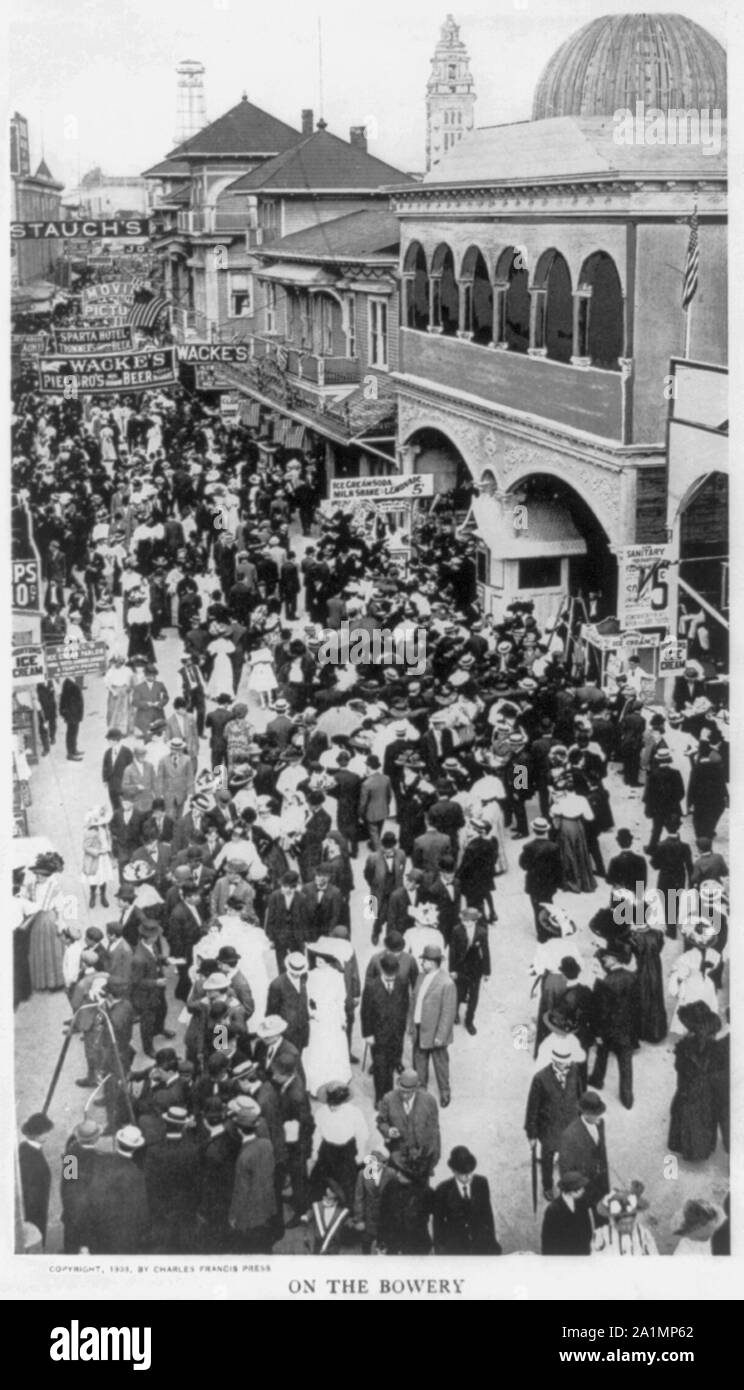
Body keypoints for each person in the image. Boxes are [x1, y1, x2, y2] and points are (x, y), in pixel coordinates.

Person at [525, 1044, 583, 1200]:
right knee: (547, 1159)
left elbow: (579, 1095)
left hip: (570, 1126)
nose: (566, 1065)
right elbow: (532, 1109)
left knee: (569, 1158)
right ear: (554, 1060)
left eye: (568, 1061)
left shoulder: (575, 1070)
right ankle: (548, 1186)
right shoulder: (540, 1079)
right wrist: (531, 1135)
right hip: (549, 1129)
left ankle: (567, 1185)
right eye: (561, 1061)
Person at [668, 1000, 721, 1163]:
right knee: (703, 1119)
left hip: (688, 1088)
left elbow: (680, 1067)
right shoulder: (714, 1043)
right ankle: (702, 1149)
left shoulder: (685, 1046)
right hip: (706, 1090)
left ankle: (687, 1149)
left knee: (686, 1117)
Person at [589, 945, 638, 1110]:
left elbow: (600, 1011)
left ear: (615, 959)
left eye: (607, 957)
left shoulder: (604, 982)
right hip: (626, 1028)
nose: (603, 959)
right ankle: (627, 1097)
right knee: (625, 1062)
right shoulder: (632, 977)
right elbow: (638, 1004)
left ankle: (597, 1079)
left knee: (602, 1053)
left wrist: (597, 1032)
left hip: (608, 1029)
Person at [409, 944, 457, 1108]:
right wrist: (411, 1024)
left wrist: (441, 1036)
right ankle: (421, 1091)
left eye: (424, 961)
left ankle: (444, 1091)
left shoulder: (447, 983)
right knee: (419, 1061)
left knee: (440, 1063)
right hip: (419, 1027)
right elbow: (414, 1001)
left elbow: (448, 1012)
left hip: (436, 1032)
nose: (422, 963)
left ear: (432, 962)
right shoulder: (421, 977)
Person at [360, 951, 409, 1104]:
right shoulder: (371, 987)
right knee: (380, 1067)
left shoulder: (402, 983)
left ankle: (389, 1096)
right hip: (378, 1035)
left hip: (395, 1034)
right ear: (382, 970)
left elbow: (404, 1006)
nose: (391, 978)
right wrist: (367, 1034)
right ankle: (380, 1098)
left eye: (393, 975)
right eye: (388, 975)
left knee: (391, 1066)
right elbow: (365, 1011)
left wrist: (402, 1029)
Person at [309, 1082, 367, 1210]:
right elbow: (317, 1133)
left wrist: (360, 1154)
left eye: (337, 1104)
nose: (333, 1107)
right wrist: (315, 1150)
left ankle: (348, 1210)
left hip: (347, 1151)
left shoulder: (354, 1113)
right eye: (331, 1103)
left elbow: (362, 1134)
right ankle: (315, 1207)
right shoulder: (321, 1112)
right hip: (327, 1149)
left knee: (348, 1182)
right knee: (317, 1178)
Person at [432, 1147, 501, 1255]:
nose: (467, 1177)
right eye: (462, 1174)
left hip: (481, 1246)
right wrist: (440, 1253)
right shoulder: (442, 1190)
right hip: (455, 1249)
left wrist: (492, 1242)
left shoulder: (481, 1183)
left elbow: (488, 1216)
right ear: (454, 1171)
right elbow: (438, 1226)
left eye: (470, 1173)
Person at [376, 1069, 441, 1182]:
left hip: (421, 1160)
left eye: (409, 1092)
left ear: (416, 1088)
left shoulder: (429, 1101)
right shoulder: (388, 1099)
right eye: (402, 1091)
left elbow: (434, 1132)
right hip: (397, 1158)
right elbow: (381, 1121)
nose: (404, 1095)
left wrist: (432, 1161)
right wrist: (388, 1131)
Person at [228, 1107, 276, 1254]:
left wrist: (233, 1216)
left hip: (249, 1217)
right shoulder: (267, 1144)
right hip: (268, 1208)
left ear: (239, 1130)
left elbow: (241, 1191)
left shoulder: (244, 1157)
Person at [558, 1091, 609, 1222]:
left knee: (603, 1218)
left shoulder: (600, 1123)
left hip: (600, 1184)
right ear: (585, 1113)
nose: (600, 1116)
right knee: (582, 1223)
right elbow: (566, 1170)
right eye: (596, 1114)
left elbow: (602, 1154)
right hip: (583, 1187)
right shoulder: (570, 1136)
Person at [449, 906, 491, 1035]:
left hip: (475, 969)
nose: (467, 924)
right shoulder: (456, 930)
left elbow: (485, 951)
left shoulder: (482, 932)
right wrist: (452, 970)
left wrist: (487, 971)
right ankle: (454, 1014)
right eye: (464, 921)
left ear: (475, 921)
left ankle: (469, 1021)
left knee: (474, 997)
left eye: (470, 921)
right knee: (458, 993)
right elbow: (452, 951)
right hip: (461, 968)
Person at [550, 777, 596, 893]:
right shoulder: (582, 799)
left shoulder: (561, 801)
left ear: (565, 790)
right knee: (580, 851)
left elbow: (552, 813)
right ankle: (584, 880)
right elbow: (590, 817)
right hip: (578, 825)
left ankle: (572, 881)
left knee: (567, 853)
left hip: (566, 826)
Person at [519, 817, 563, 938]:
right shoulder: (554, 847)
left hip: (534, 883)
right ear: (546, 830)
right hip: (549, 883)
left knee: (536, 907)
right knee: (549, 904)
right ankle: (550, 929)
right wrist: (559, 883)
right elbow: (559, 867)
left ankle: (541, 934)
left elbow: (523, 865)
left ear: (534, 830)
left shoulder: (528, 847)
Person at [591, 1182, 658, 1256]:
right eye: (623, 1224)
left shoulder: (643, 1233)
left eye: (631, 1223)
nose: (628, 1227)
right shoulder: (602, 1234)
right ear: (614, 1222)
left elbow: (654, 1257)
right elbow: (595, 1261)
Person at [18, 1112, 54, 1248]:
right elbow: (69, 1181)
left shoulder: (23, 1147)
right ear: (37, 1134)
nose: (48, 1135)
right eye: (46, 1133)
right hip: (36, 1207)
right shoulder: (72, 1155)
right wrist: (70, 1159)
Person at [541, 1172, 593, 1255]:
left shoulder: (582, 1203)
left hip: (582, 1256)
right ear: (571, 1190)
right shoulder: (553, 1210)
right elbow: (547, 1243)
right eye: (580, 1188)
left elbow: (587, 1231)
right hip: (563, 1259)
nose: (583, 1190)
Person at [59, 675, 84, 760]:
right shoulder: (68, 683)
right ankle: (70, 753)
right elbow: (64, 700)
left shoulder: (71, 681)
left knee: (74, 732)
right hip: (72, 714)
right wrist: (66, 713)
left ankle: (73, 750)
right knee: (71, 733)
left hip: (75, 713)